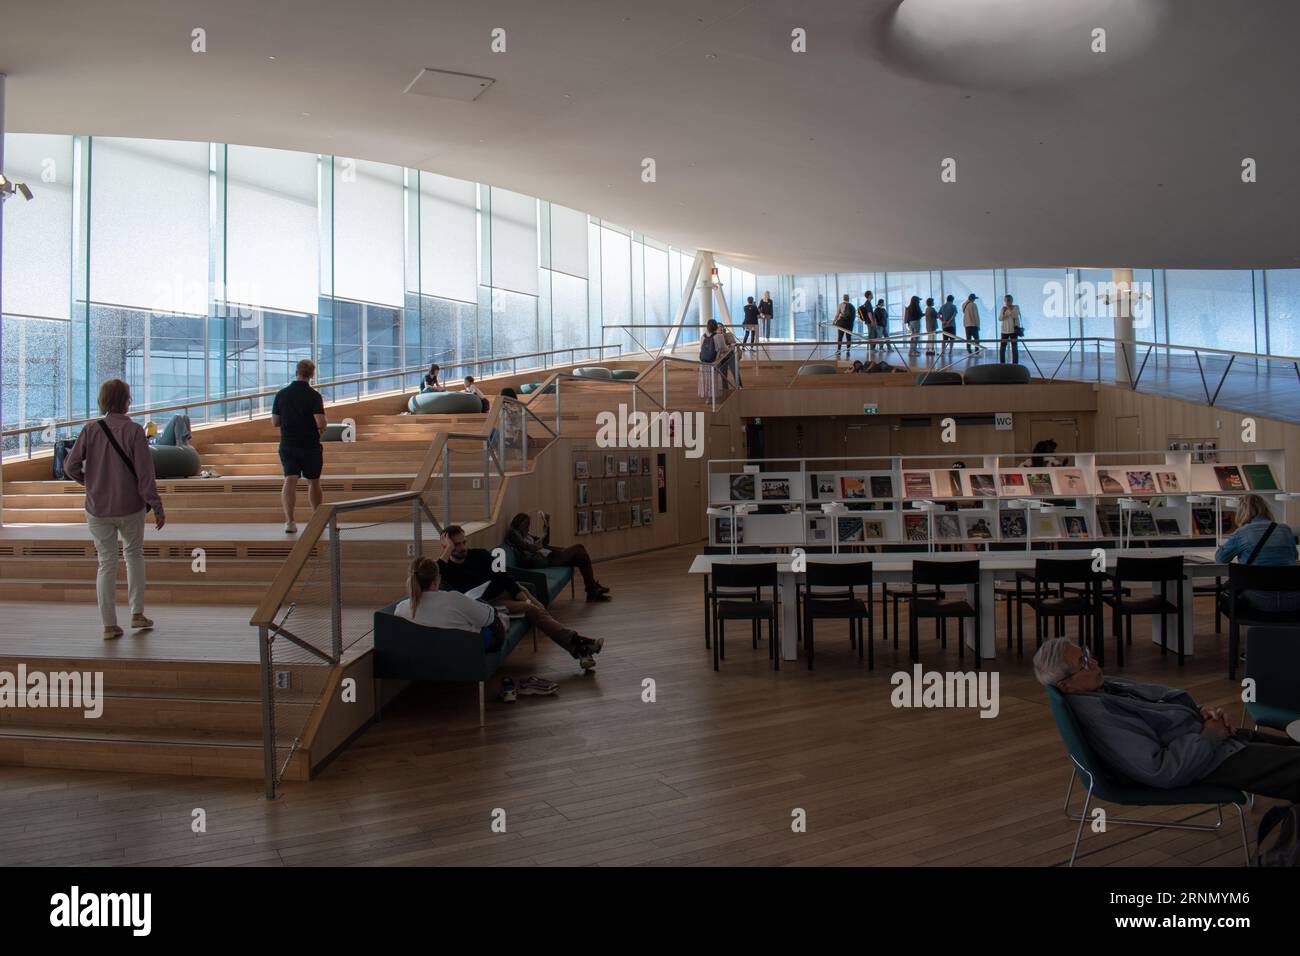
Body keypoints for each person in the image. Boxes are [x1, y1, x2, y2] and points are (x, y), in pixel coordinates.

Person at [1034, 638, 1300, 801]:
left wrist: (1203, 712)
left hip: (1208, 743)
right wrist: (1209, 735)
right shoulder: (1099, 716)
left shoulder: (1099, 688)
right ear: (1066, 685)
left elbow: (1165, 704)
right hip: (1207, 760)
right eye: (1083, 662)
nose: (1094, 661)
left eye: (1087, 653)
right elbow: (1163, 770)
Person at [63, 379, 166, 639]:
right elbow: (145, 473)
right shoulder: (133, 431)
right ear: (126, 400)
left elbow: (69, 466)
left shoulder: (90, 429)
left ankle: (109, 625)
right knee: (134, 555)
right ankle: (137, 613)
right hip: (129, 506)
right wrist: (155, 503)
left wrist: (89, 483)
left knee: (106, 563)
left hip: (97, 508)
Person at [438, 525, 604, 671]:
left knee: (541, 612)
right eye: (456, 544)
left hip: (512, 590)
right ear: (446, 546)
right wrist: (447, 551)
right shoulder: (446, 569)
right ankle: (582, 645)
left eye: (463, 542)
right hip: (492, 603)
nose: (462, 547)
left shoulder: (479, 555)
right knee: (533, 610)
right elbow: (436, 575)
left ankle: (581, 650)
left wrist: (523, 597)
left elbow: (505, 576)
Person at [1215, 495, 1300, 613]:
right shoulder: (1285, 529)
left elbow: (1220, 558)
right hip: (1293, 599)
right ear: (1266, 509)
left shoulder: (1242, 532)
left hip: (1259, 599)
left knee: (1228, 589)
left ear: (1242, 511)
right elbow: (1294, 556)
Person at [272, 358, 326, 534]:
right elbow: (320, 421)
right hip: (309, 445)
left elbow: (275, 422)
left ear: (296, 372)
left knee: (290, 479)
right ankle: (317, 520)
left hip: (288, 443)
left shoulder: (281, 394)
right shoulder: (314, 396)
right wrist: (322, 429)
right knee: (314, 482)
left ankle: (289, 521)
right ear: (312, 374)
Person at [506, 511, 610, 602]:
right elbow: (527, 547)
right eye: (526, 525)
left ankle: (592, 590)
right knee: (579, 548)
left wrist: (547, 526)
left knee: (581, 557)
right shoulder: (513, 533)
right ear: (519, 524)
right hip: (538, 560)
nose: (528, 528)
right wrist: (537, 546)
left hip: (544, 554)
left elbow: (545, 542)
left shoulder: (526, 535)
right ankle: (592, 590)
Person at [999, 294, 1022, 364]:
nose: (1007, 302)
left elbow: (1014, 315)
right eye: (1006, 300)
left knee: (1014, 347)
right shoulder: (1003, 308)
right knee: (1002, 348)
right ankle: (1002, 363)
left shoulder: (1016, 307)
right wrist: (1004, 313)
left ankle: (1015, 363)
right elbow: (1000, 318)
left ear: (1012, 300)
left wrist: (1008, 309)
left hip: (1013, 330)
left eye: (1008, 300)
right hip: (1004, 331)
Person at [833, 293, 856, 358]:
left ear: (843, 298)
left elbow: (837, 314)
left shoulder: (840, 305)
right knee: (848, 337)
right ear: (848, 299)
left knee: (840, 337)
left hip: (842, 323)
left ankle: (838, 350)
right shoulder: (852, 306)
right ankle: (848, 350)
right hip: (849, 324)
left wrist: (834, 321)